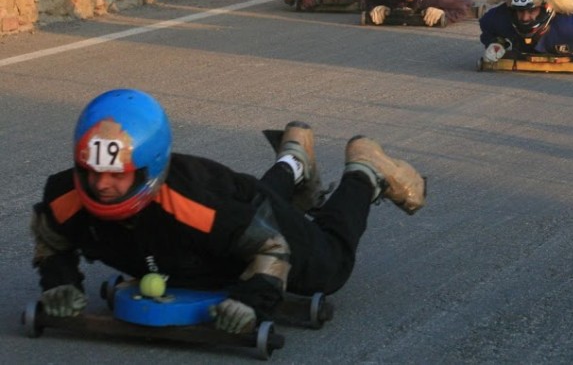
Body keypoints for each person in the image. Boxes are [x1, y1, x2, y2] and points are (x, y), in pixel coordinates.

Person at [29, 88, 426, 333]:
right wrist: (59, 282)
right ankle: (294, 159)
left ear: (150, 168)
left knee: (328, 267)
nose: (101, 184)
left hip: (239, 211)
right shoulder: (66, 196)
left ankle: (364, 170)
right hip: (225, 213)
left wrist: (252, 299)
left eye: (119, 175)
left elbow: (271, 246)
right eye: (92, 170)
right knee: (228, 227)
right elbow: (51, 239)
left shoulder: (190, 206)